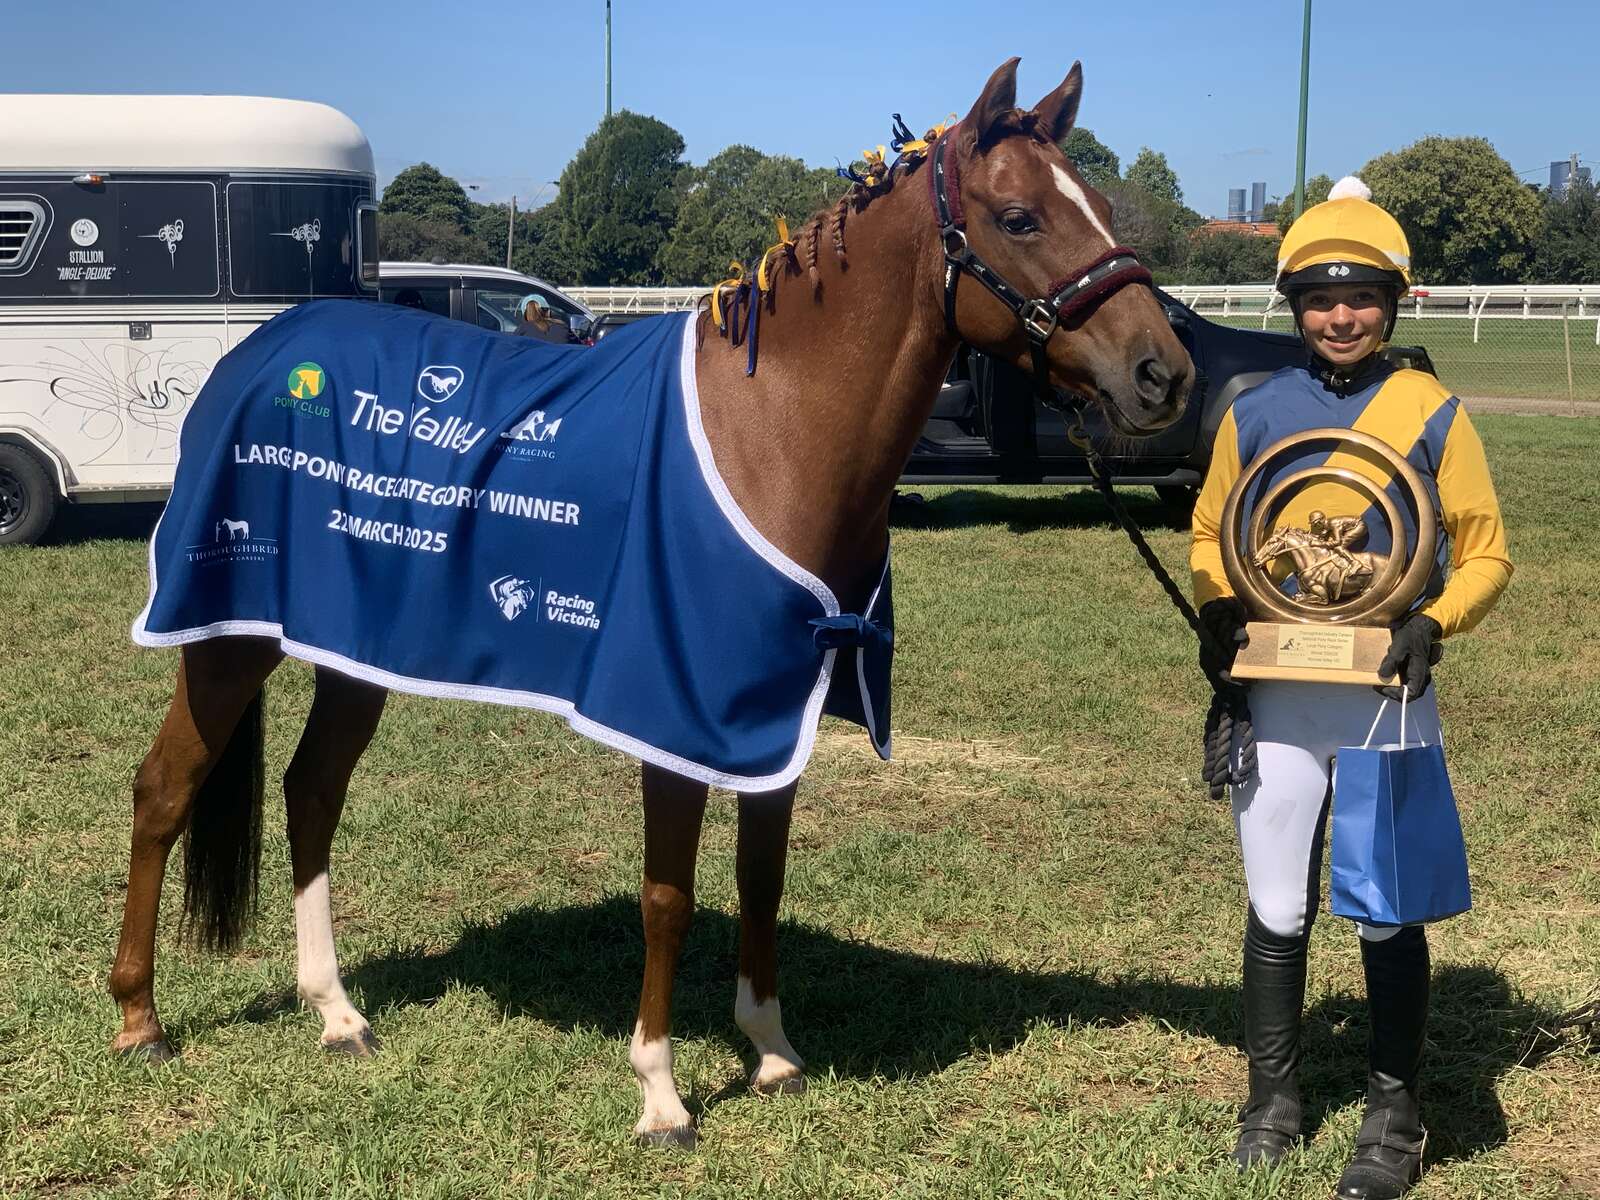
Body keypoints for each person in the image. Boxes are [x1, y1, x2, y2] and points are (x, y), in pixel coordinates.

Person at [1189, 177, 1513, 1199]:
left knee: (1383, 909)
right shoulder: (1254, 410)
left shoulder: (1431, 409)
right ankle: (1271, 1101)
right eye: (1319, 300)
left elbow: (1486, 553)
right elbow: (1211, 535)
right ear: (1292, 306)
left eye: (1361, 297)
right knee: (1274, 903)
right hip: (1278, 693)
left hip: (1384, 693)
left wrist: (1433, 621)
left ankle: (1393, 1118)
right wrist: (1216, 605)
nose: (1339, 317)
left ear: (1394, 301)